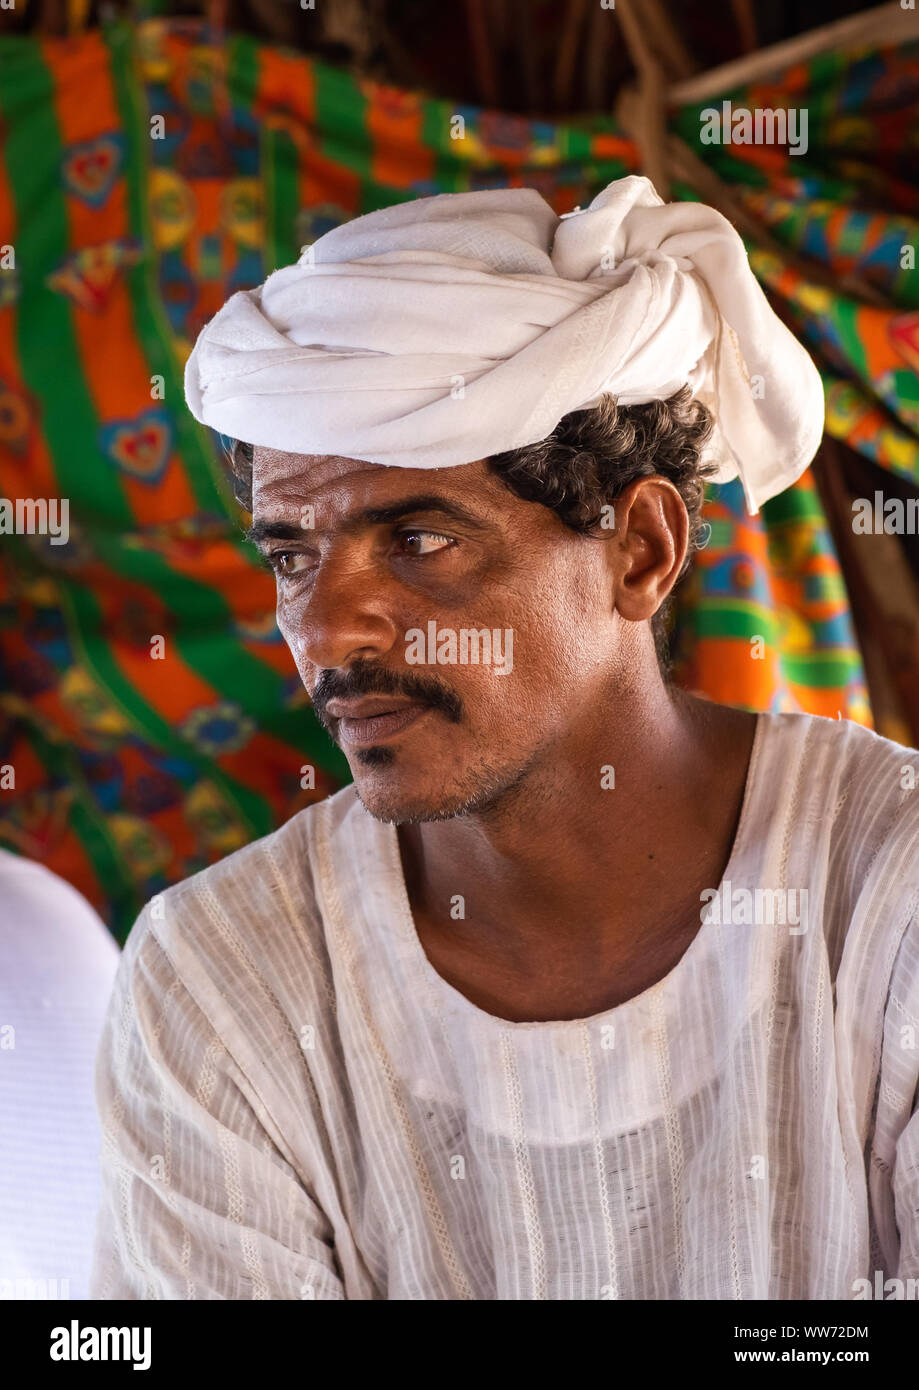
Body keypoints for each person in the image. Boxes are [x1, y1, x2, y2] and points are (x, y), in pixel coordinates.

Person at [90, 176, 919, 1300]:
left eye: (421, 540)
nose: (329, 629)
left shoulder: (886, 899)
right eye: (292, 555)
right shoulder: (225, 985)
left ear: (639, 553)